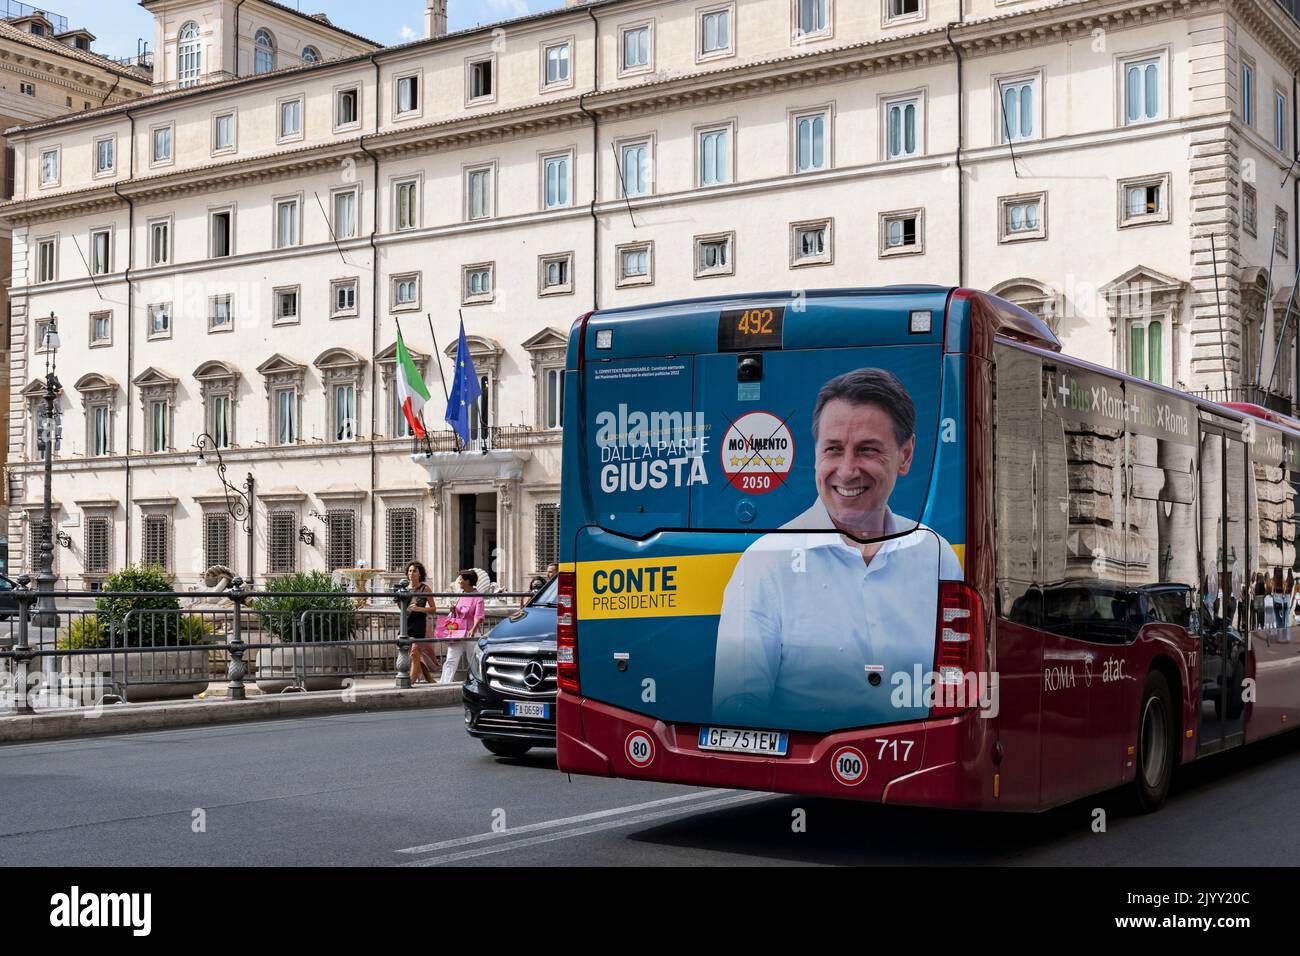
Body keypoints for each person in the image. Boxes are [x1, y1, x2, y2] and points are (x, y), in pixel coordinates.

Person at [712, 367, 961, 729]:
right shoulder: (765, 564)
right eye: (833, 449)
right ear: (815, 454)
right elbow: (737, 709)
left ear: (905, 455)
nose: (846, 471)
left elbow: (956, 691)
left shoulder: (936, 556)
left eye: (867, 450)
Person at [436, 569, 486, 684]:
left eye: (461, 579)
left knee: (473, 659)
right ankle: (445, 683)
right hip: (457, 632)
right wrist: (454, 610)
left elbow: (478, 615)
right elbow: (458, 614)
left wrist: (473, 629)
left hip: (470, 633)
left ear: (468, 581)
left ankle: (477, 682)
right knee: (451, 659)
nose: (459, 581)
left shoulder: (478, 597)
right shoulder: (461, 595)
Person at [404, 562, 439, 684]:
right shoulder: (403, 589)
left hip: (420, 623)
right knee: (414, 653)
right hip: (406, 623)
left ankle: (410, 682)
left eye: (414, 571)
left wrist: (419, 609)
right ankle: (429, 678)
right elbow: (400, 607)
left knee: (414, 652)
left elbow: (433, 609)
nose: (411, 574)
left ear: (420, 574)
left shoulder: (425, 588)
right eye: (410, 571)